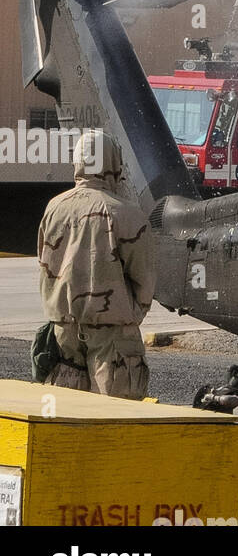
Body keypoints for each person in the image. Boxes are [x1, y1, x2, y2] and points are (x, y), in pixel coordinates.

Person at [36, 131, 153, 399]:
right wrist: (131, 314)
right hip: (113, 335)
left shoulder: (54, 208)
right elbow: (144, 278)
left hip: (63, 333)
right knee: (113, 419)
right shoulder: (128, 214)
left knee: (65, 419)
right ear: (114, 163)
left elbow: (44, 263)